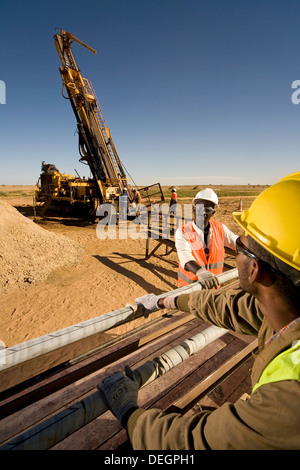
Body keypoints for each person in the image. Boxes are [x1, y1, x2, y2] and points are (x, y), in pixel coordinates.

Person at [98, 171, 300, 450]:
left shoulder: (286, 403)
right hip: (190, 292)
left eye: (243, 246)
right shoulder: (282, 314)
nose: (237, 248)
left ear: (254, 270)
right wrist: (165, 300)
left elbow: (189, 442)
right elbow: (229, 306)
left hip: (210, 292)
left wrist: (128, 411)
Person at [175, 188, 237, 289]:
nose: (203, 212)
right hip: (190, 289)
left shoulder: (220, 228)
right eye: (200, 208)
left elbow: (236, 241)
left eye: (207, 209)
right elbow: (184, 254)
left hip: (213, 287)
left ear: (213, 213)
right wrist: (200, 272)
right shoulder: (183, 231)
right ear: (194, 209)